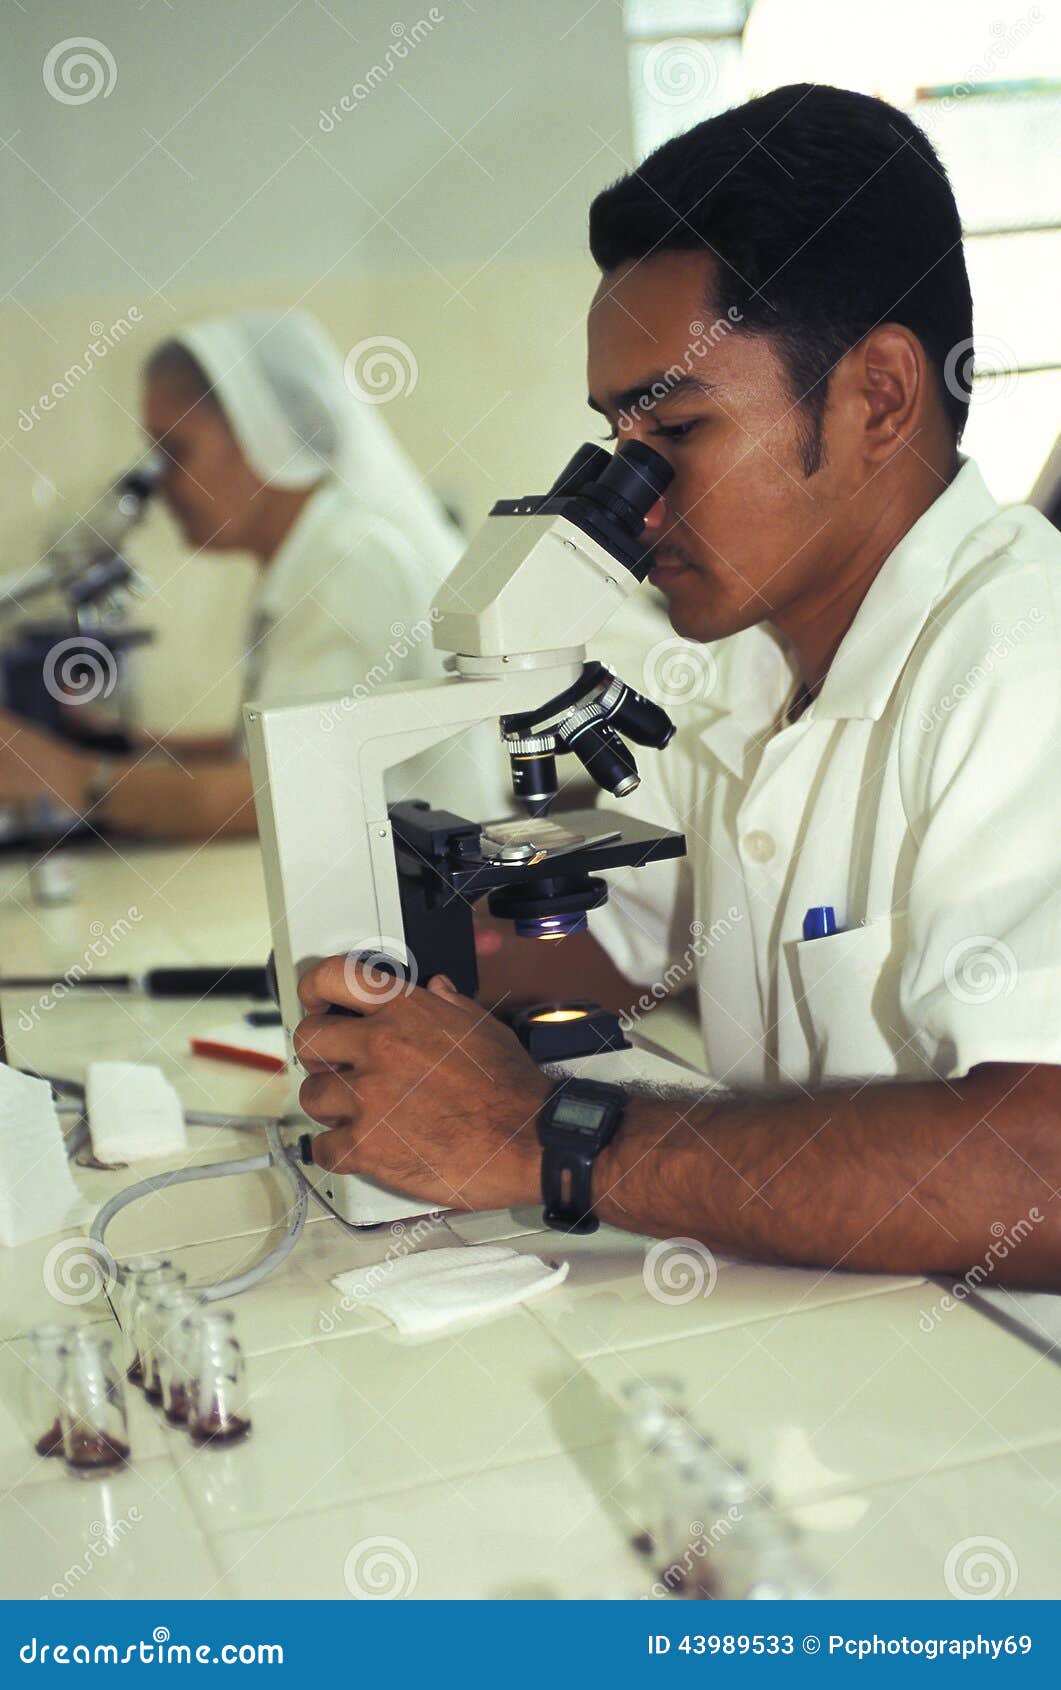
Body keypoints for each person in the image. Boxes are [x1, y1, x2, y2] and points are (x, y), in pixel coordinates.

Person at [290, 85, 1061, 1288]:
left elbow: (1041, 1167)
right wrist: (391, 986)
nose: (632, 502)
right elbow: (606, 959)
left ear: (878, 398)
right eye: (614, 443)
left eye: (678, 432)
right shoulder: (750, 671)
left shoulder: (1024, 661)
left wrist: (542, 1140)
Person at [0, 311, 501, 838]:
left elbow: (284, 794)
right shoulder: (315, 549)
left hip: (422, 905)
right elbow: (291, 745)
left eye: (176, 451)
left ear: (263, 431)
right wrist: (144, 746)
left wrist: (63, 774)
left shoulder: (350, 562)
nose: (161, 486)